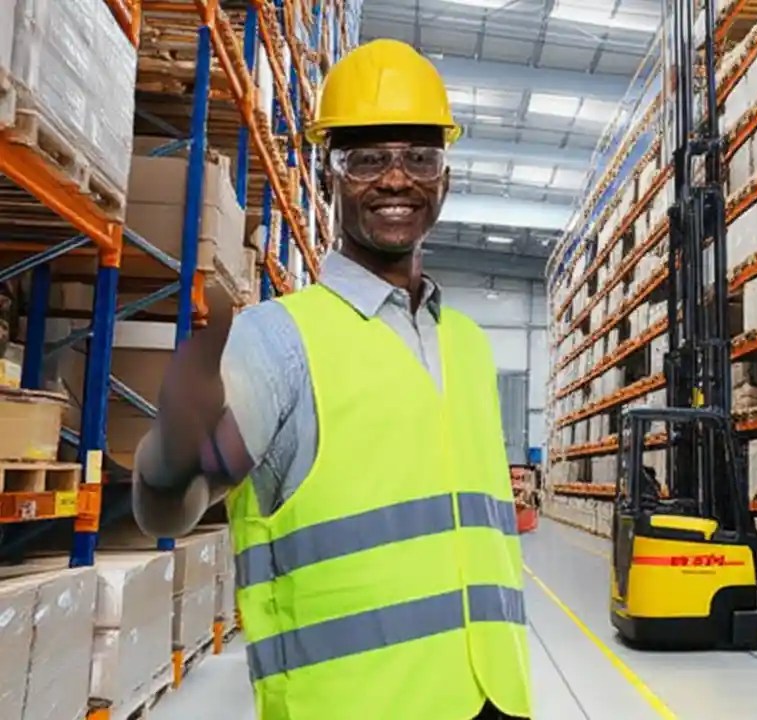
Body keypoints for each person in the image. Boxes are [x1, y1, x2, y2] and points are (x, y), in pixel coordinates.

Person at [130, 39, 533, 720]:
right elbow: (175, 500)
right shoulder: (277, 342)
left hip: (496, 699)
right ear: (326, 177)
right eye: (365, 159)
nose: (396, 179)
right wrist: (171, 455)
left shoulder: (466, 346)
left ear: (446, 178)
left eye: (420, 157)